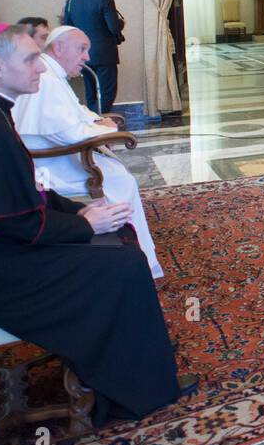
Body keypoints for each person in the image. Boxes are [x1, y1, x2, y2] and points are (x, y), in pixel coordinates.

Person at [0, 24, 190, 426]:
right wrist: (84, 224)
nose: (39, 68)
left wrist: (78, 213)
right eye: (29, 59)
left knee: (121, 239)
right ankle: (131, 391)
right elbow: (20, 223)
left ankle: (118, 370)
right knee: (123, 264)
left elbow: (25, 196)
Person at [11, 25, 163, 278]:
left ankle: (132, 250)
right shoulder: (47, 79)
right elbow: (68, 133)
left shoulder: (53, 75)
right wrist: (105, 131)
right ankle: (130, 257)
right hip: (49, 167)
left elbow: (76, 114)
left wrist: (99, 125)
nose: (87, 57)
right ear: (58, 48)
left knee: (117, 172)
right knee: (120, 180)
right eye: (82, 49)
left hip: (55, 154)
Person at [63, 0, 125, 114]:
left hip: (83, 53)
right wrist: (122, 22)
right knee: (107, 91)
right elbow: (114, 28)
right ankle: (99, 120)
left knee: (90, 91)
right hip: (104, 53)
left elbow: (67, 26)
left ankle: (92, 116)